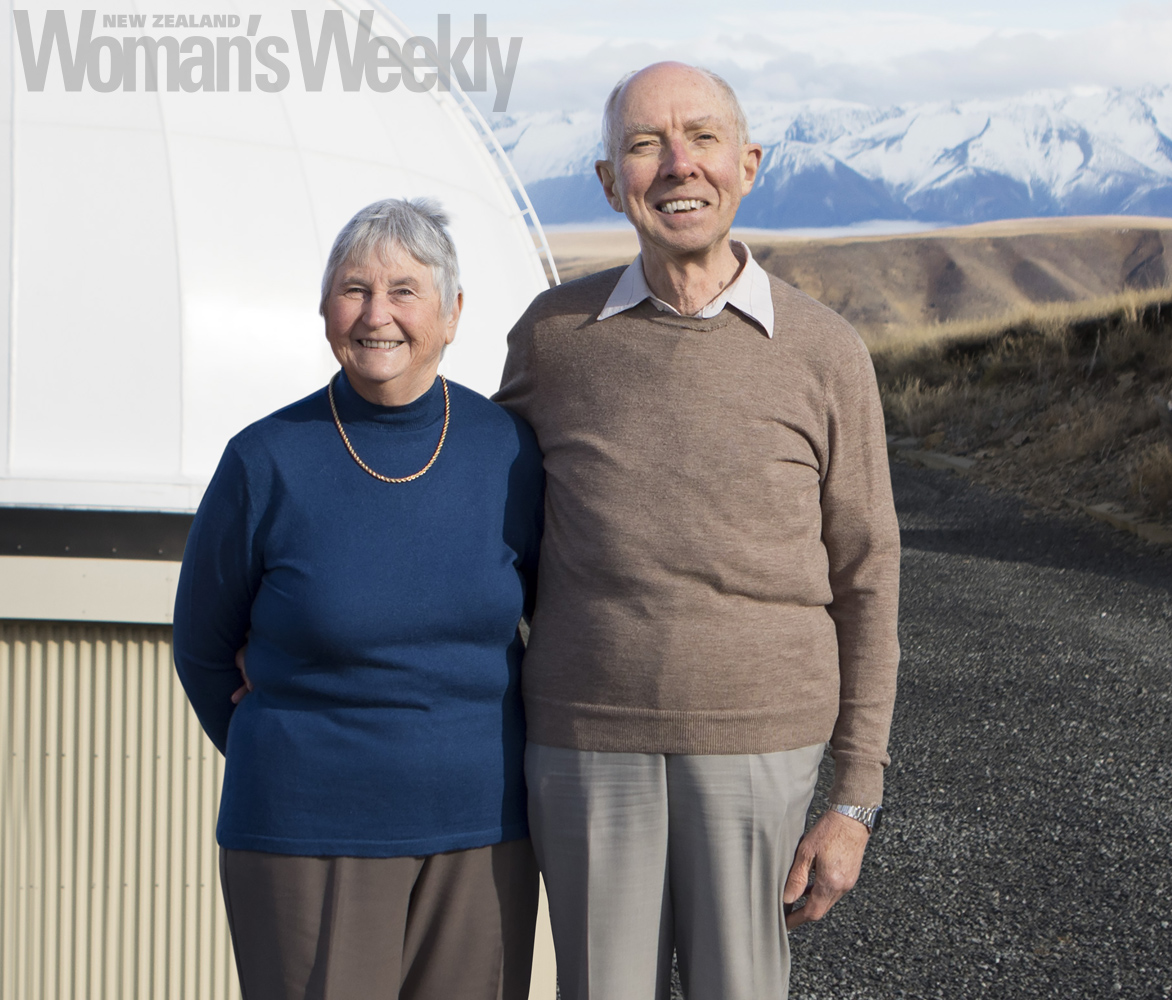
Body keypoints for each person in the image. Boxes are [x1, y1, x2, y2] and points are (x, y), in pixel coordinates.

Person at [494, 62, 901, 1000]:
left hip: (764, 748)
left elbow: (870, 574)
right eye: (645, 145)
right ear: (608, 182)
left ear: (747, 164)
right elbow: (474, 513)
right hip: (585, 744)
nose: (679, 166)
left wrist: (854, 798)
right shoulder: (552, 338)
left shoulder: (826, 351)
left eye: (702, 139)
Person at [174, 198, 544, 1000]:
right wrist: (290, 755)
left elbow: (557, 615)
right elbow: (202, 647)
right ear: (324, 309)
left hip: (484, 832)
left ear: (452, 314)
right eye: (354, 289)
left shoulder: (510, 451)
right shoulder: (265, 460)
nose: (378, 315)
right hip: (307, 833)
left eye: (405, 290)